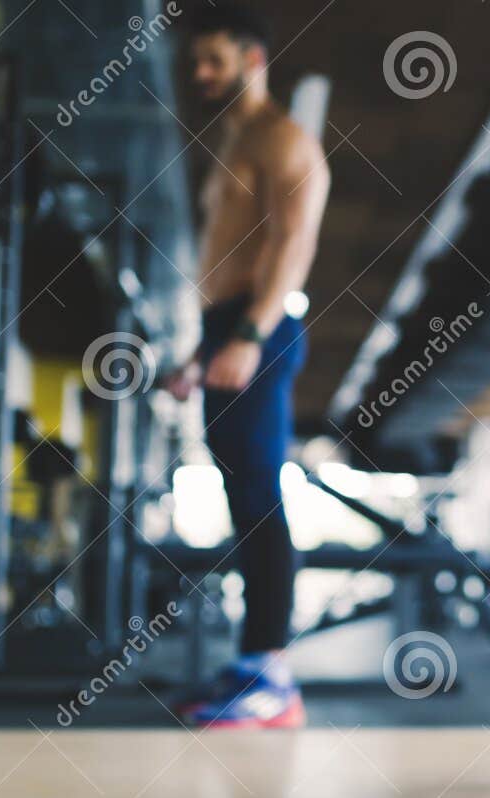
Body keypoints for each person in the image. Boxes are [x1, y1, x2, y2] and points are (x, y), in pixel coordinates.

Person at [163, 4, 330, 729]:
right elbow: (231, 258)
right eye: (195, 61)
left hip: (260, 326)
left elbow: (291, 246)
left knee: (260, 495)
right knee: (241, 493)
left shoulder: (282, 139)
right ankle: (253, 661)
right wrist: (203, 350)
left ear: (253, 60)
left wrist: (250, 336)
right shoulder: (234, 140)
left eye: (214, 61)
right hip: (229, 327)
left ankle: (274, 675)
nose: (200, 74)